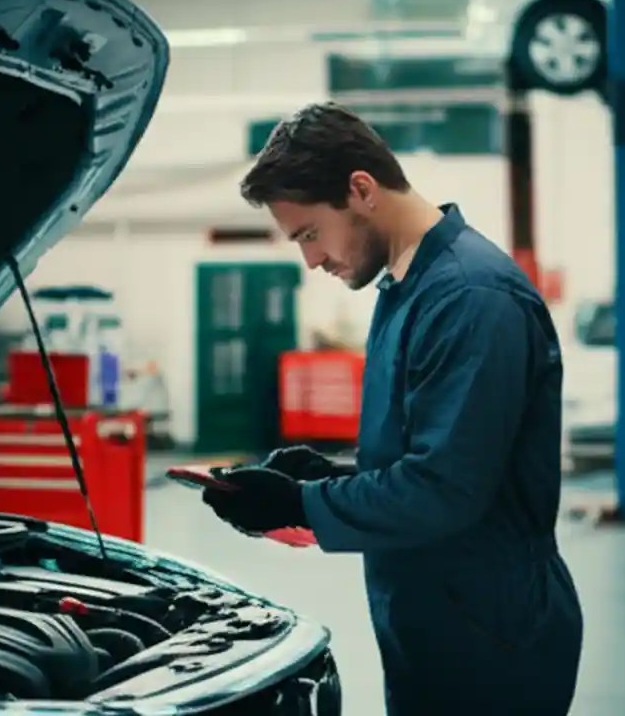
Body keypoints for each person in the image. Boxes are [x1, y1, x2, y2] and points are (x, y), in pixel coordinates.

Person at [200, 102, 583, 715]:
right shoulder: (407, 286)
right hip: (434, 618)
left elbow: (445, 489)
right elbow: (432, 454)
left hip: (490, 637)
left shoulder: (470, 298)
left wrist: (300, 505)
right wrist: (325, 477)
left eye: (309, 234)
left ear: (361, 189)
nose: (312, 259)